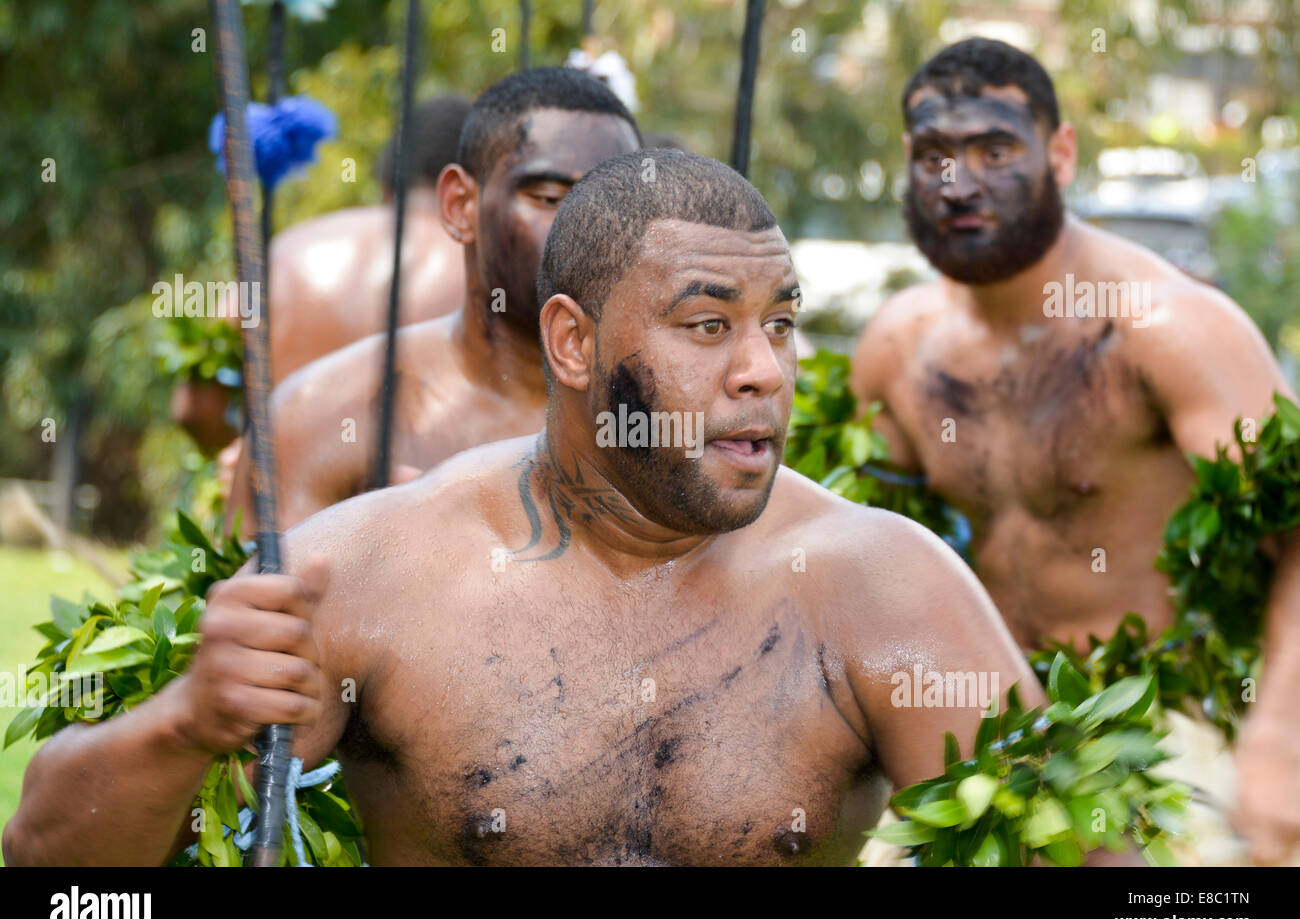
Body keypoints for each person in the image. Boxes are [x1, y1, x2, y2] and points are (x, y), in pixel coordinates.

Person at [4, 150, 1084, 867]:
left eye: (783, 323)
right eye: (707, 325)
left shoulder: (881, 586)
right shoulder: (376, 573)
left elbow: (1094, 864)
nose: (766, 370)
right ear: (573, 341)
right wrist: (185, 722)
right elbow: (58, 873)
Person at [849, 37, 1300, 864]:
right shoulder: (898, 348)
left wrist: (1283, 737)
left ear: (1060, 155)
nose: (961, 183)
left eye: (994, 149)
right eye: (935, 155)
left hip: (1163, 731)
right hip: (978, 737)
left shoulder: (1166, 328)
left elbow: (1297, 526)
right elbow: (848, 559)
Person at [225, 67, 643, 533]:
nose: (585, 229)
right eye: (547, 197)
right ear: (460, 205)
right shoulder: (316, 417)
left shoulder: (674, 421)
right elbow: (263, 598)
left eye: (615, 204)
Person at [173, 95, 472, 456]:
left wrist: (250, 464)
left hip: (287, 507)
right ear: (466, 192)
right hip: (429, 506)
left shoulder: (282, 254)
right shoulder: (479, 265)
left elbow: (195, 408)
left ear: (386, 185)